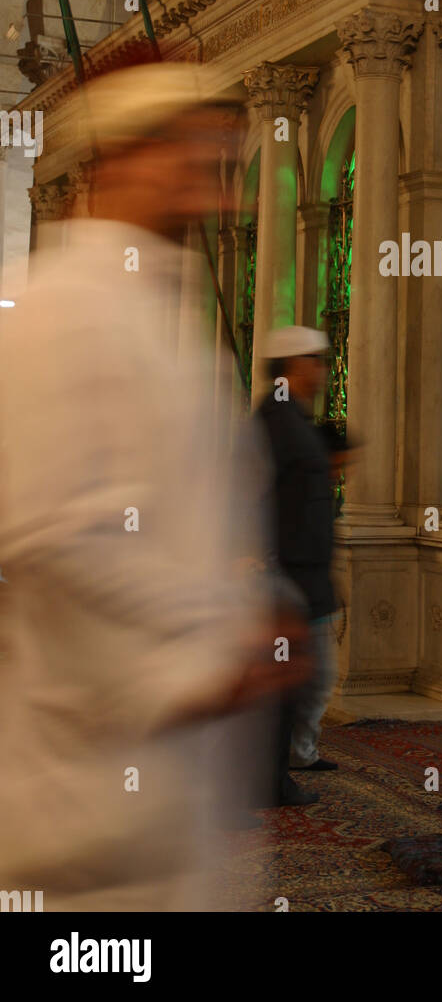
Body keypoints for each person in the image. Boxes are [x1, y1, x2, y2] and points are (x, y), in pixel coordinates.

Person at [0, 64, 309, 910]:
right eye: (197, 163)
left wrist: (253, 608)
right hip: (90, 798)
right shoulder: (61, 311)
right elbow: (53, 537)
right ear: (130, 159)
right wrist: (209, 660)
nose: (221, 197)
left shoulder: (156, 316)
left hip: (171, 802)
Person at [256, 327, 340, 808]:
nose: (322, 371)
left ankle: (278, 774)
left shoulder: (291, 417)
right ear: (294, 366)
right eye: (315, 361)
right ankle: (266, 783)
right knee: (282, 685)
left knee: (299, 681)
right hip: (285, 579)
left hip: (302, 577)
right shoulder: (276, 421)